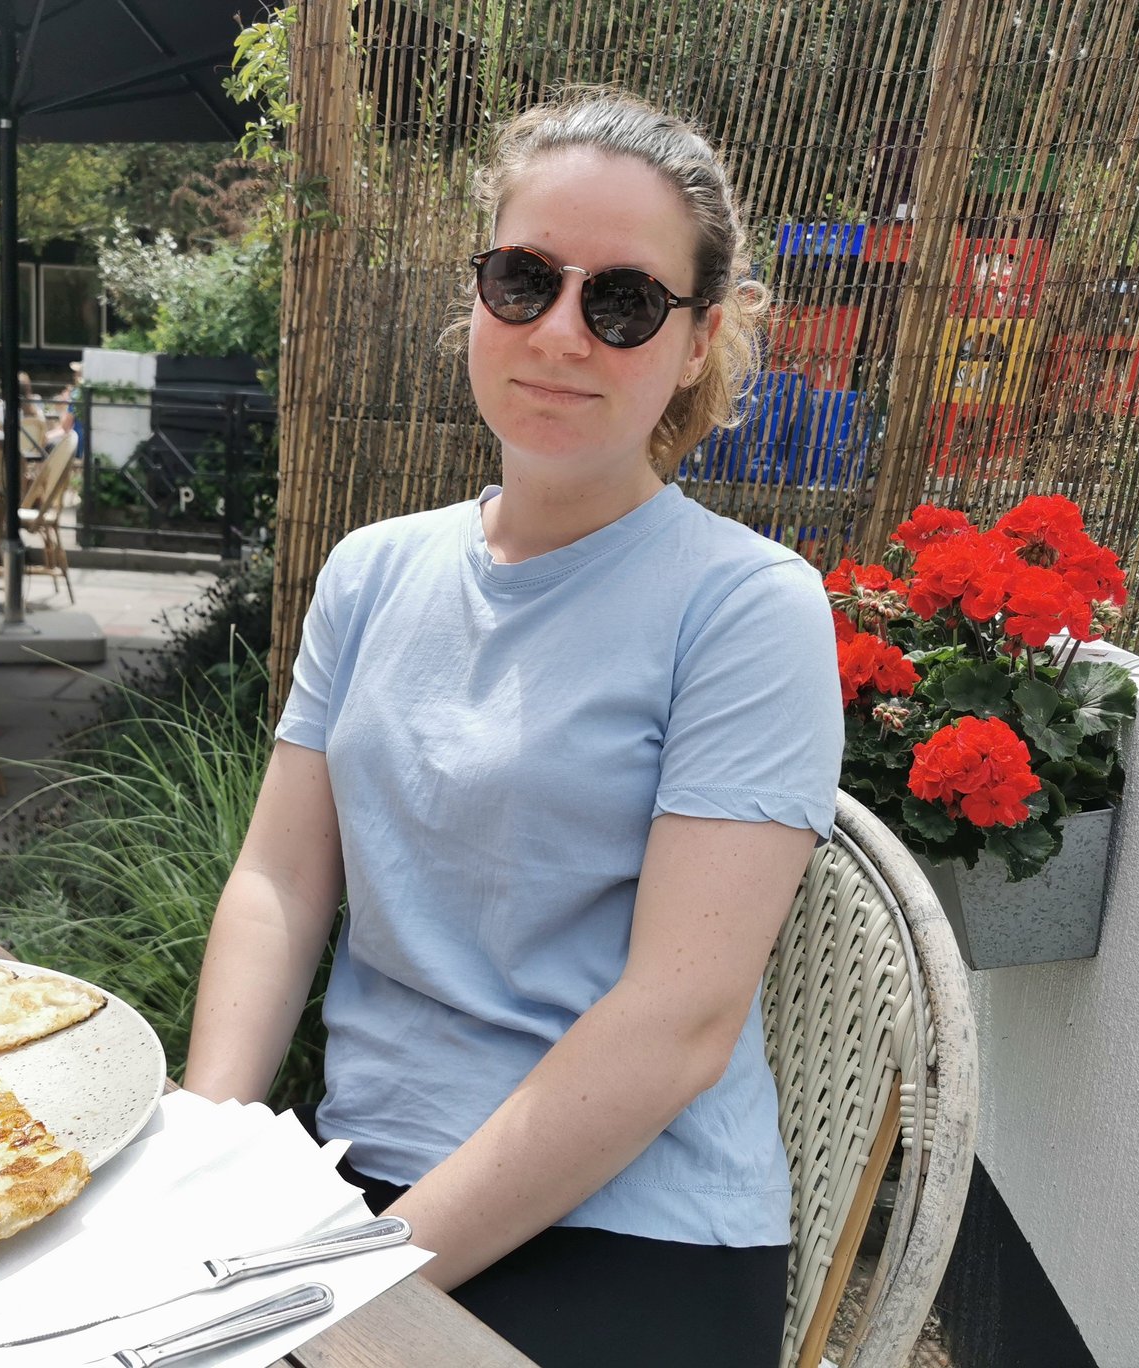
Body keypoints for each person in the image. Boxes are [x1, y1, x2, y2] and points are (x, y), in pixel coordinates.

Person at [181, 89, 842, 1368]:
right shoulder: (372, 572)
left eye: (625, 301)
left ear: (699, 340)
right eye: (524, 278)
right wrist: (205, 1142)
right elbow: (278, 879)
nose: (561, 335)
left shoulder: (746, 609)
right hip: (352, 1181)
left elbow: (676, 1025)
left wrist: (354, 1280)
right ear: (478, 290)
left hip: (636, 1225)